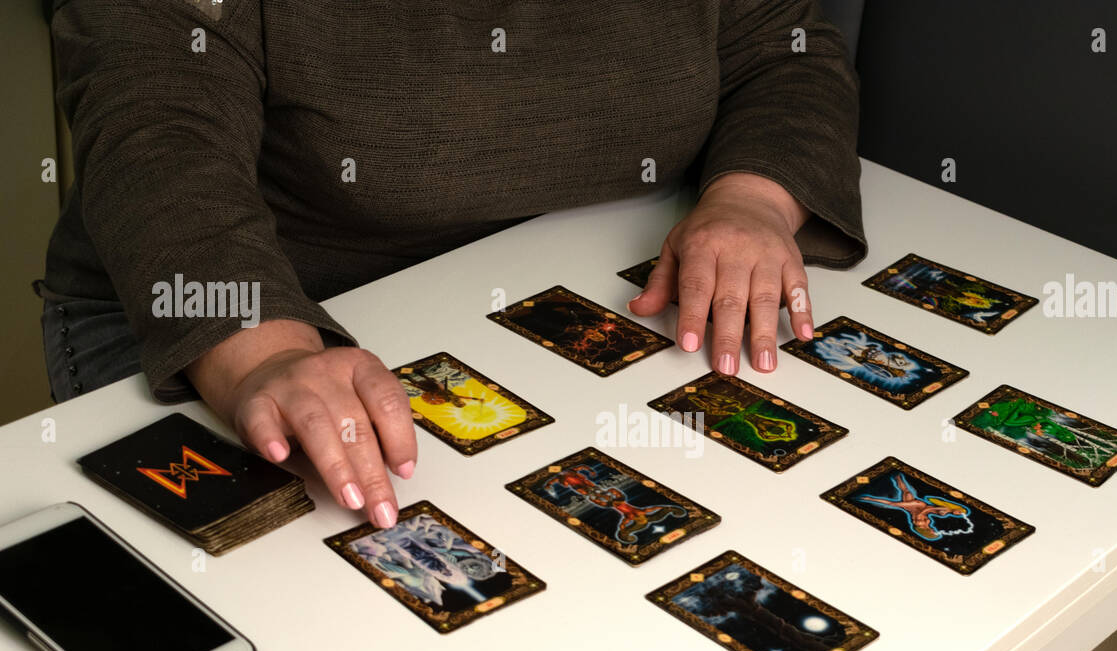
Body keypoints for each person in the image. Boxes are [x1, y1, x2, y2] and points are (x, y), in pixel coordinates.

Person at [38, 0, 866, 530]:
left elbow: (782, 53)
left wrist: (753, 200)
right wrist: (267, 351)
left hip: (572, 291)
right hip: (239, 310)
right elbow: (158, 134)